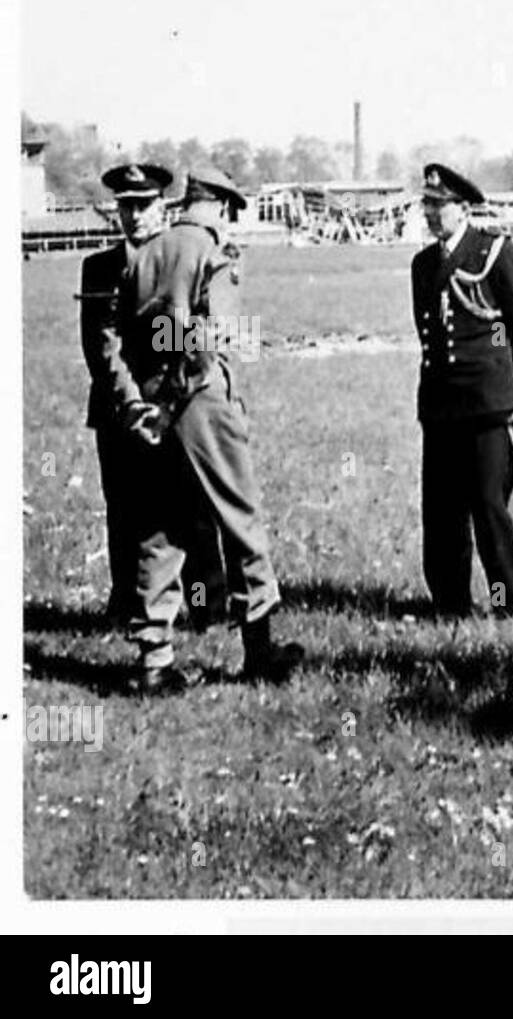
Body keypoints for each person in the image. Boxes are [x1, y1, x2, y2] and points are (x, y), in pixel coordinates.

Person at [116, 166, 303, 691]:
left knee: (160, 529)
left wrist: (147, 402)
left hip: (152, 406)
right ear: (219, 207)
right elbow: (214, 332)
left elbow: (131, 336)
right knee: (239, 516)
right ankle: (260, 651)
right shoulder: (214, 253)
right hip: (198, 400)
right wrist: (187, 379)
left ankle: (154, 658)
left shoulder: (146, 254)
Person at [77, 163, 226, 628]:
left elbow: (203, 334)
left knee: (195, 516)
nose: (135, 215)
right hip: (121, 411)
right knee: (125, 512)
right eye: (126, 206)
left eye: (144, 205)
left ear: (164, 207)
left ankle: (204, 606)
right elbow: (102, 347)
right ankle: (129, 608)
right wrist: (133, 405)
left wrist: (174, 394)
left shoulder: (185, 258)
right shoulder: (100, 267)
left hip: (179, 406)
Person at [411, 163, 513, 619]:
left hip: (488, 405)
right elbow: (427, 332)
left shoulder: (495, 253)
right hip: (441, 405)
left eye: (438, 205)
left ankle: (506, 604)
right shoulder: (423, 265)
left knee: (488, 509)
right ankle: (450, 605)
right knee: (442, 512)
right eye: (425, 204)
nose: (430, 213)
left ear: (463, 207)